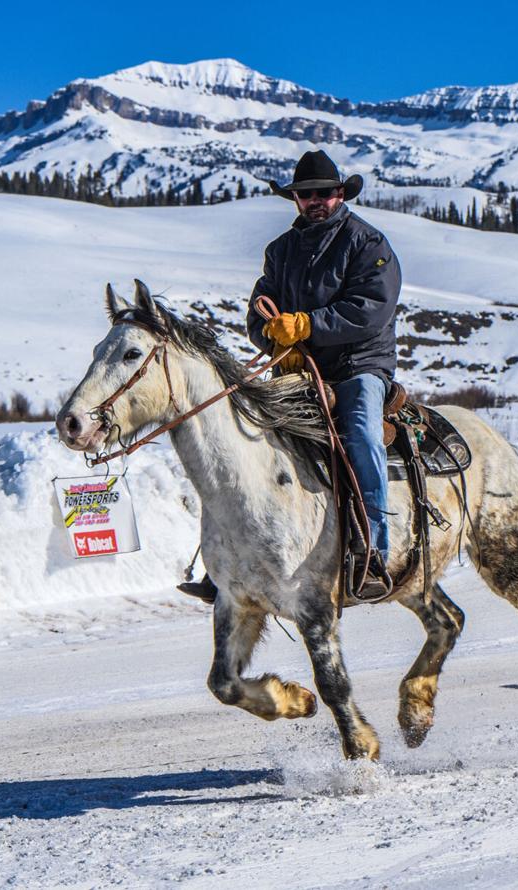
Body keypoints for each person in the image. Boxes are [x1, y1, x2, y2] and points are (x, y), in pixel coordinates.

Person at [178, 149, 401, 601]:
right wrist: (277, 339)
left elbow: (372, 309)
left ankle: (374, 549)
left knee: (359, 433)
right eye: (305, 195)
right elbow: (258, 314)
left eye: (323, 193)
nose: (314, 200)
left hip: (358, 365)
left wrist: (307, 326)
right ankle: (227, 557)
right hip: (298, 369)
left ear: (340, 194)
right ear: (295, 200)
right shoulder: (280, 252)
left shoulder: (367, 243)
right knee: (248, 437)